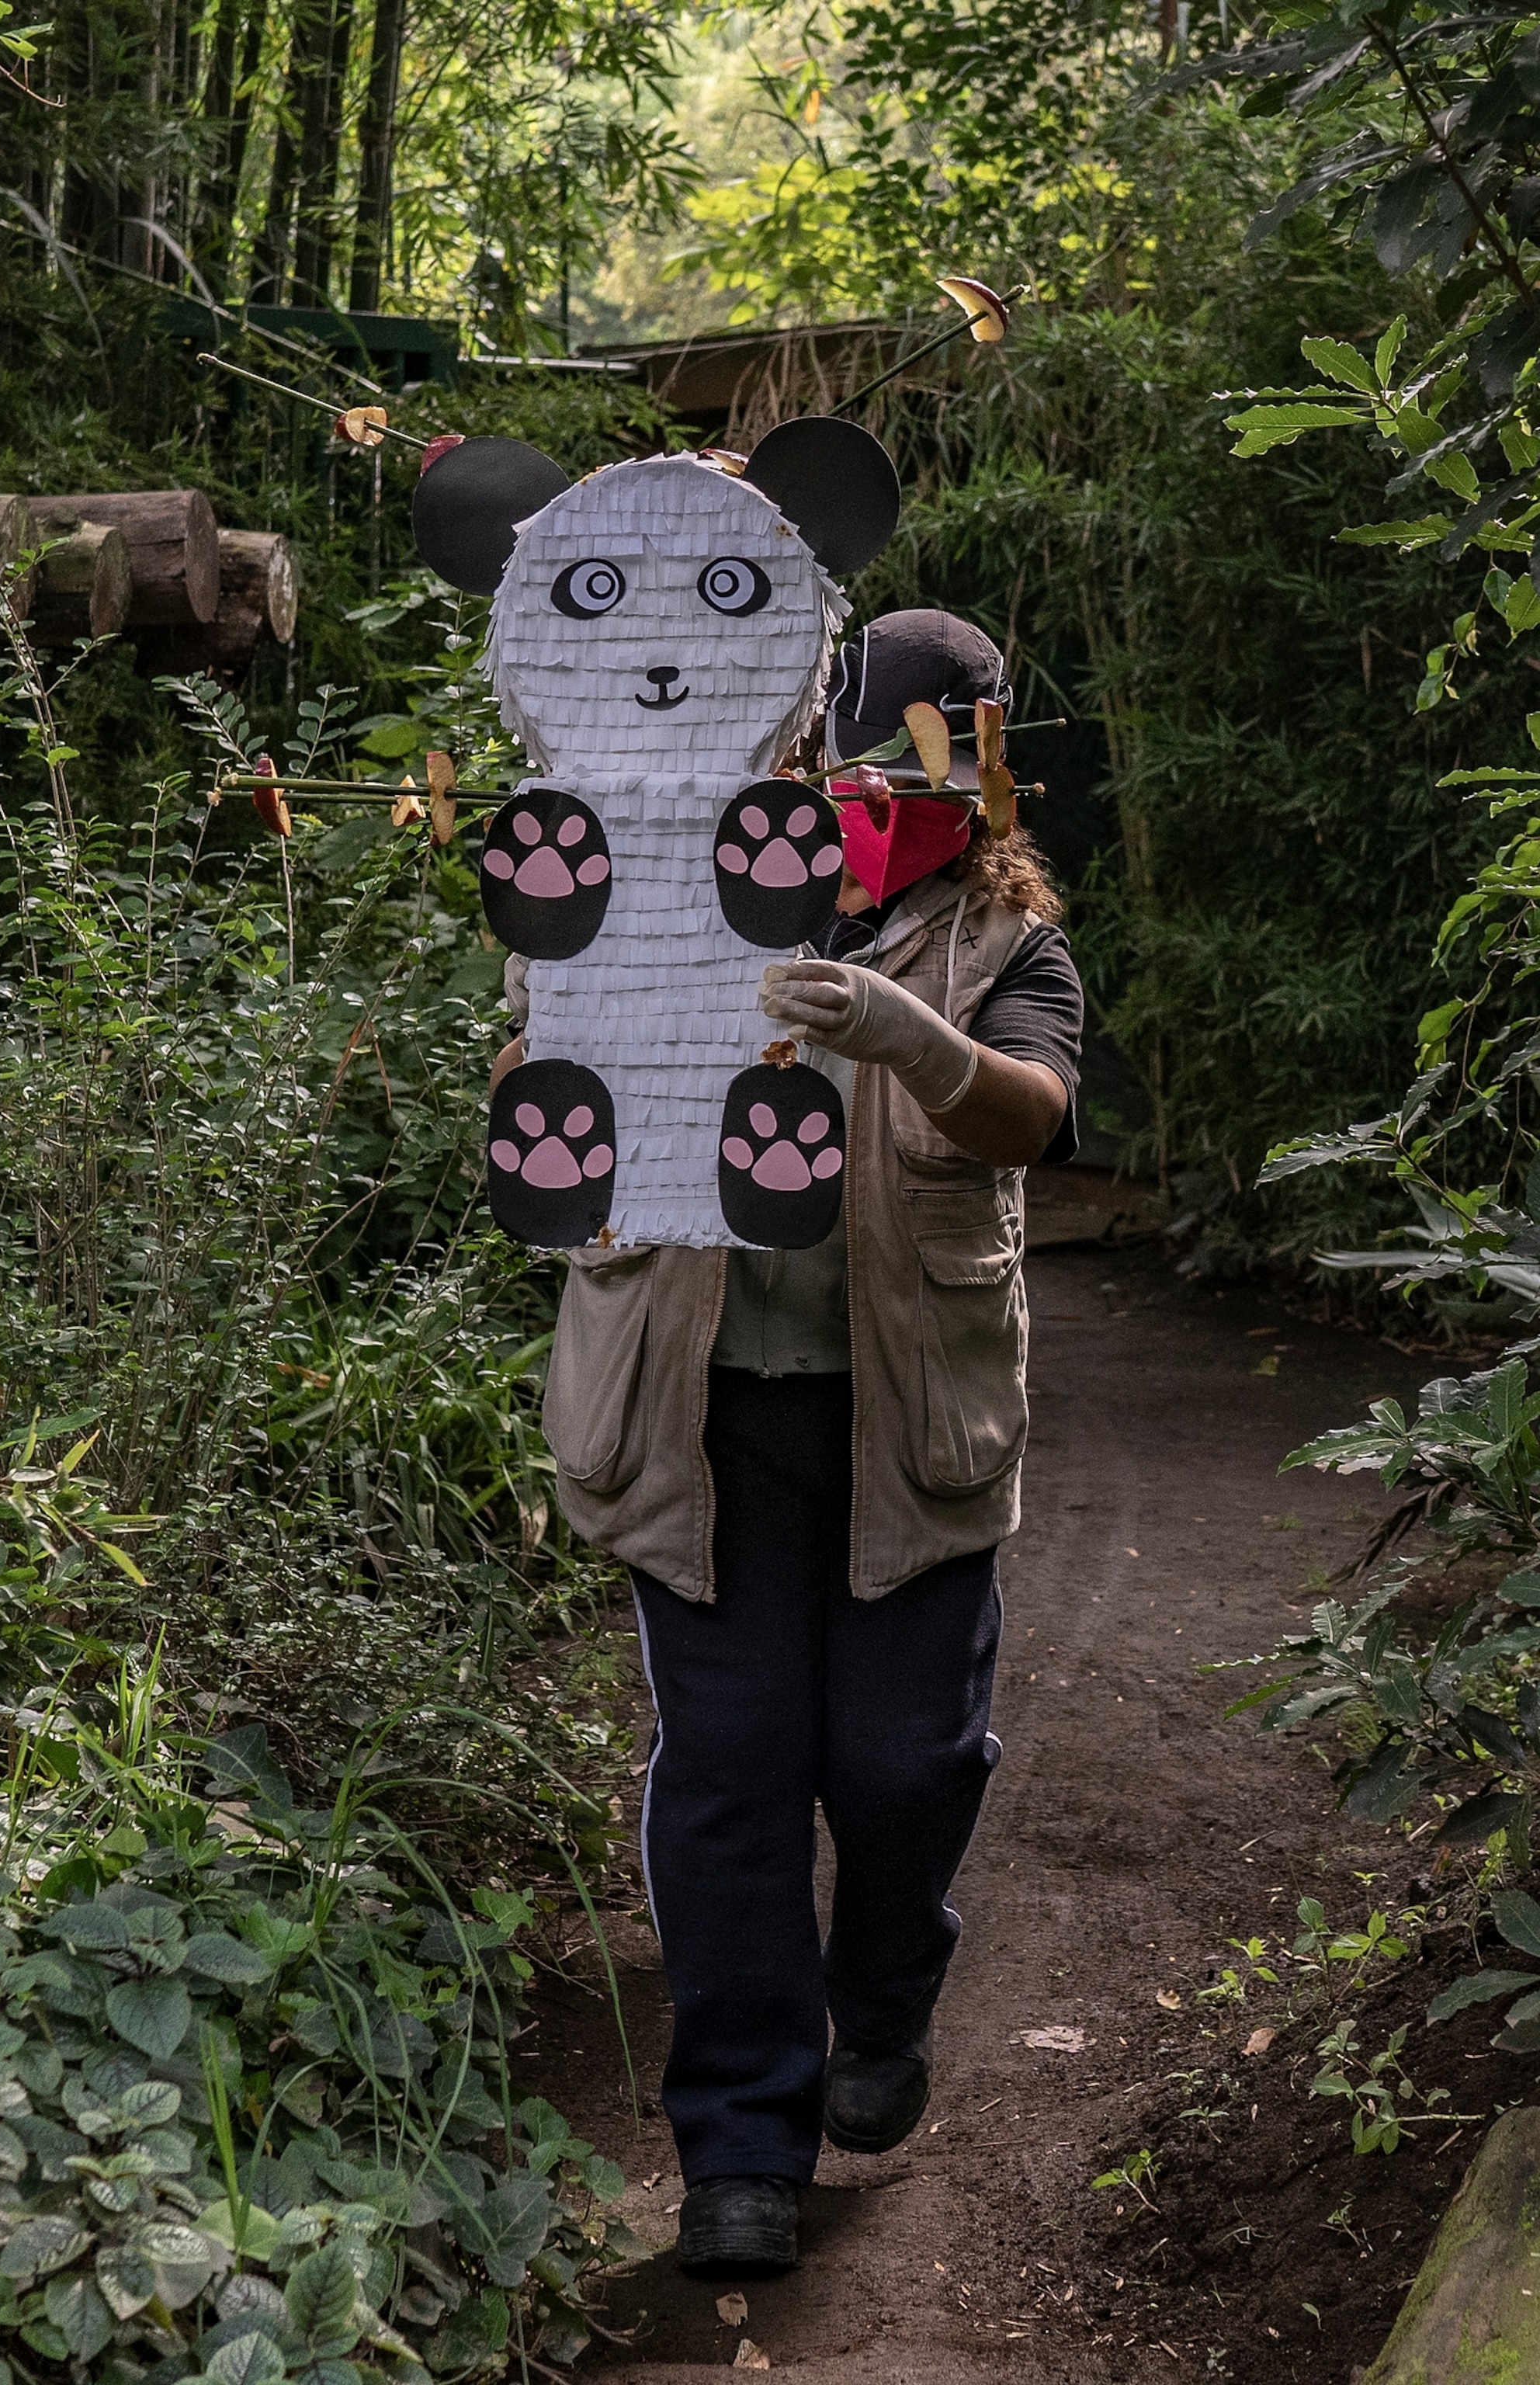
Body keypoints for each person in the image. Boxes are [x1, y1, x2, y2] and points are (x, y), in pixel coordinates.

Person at [492, 606, 1083, 2276]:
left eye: (962, 752)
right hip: (703, 1415)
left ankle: (880, 2004)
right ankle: (742, 2137)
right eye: (902, 746)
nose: (925, 783)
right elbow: (545, 1085)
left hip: (911, 1419)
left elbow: (1034, 1112)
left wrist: (910, 1039)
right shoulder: (694, 887)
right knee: (732, 1778)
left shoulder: (1003, 948)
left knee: (907, 1767)